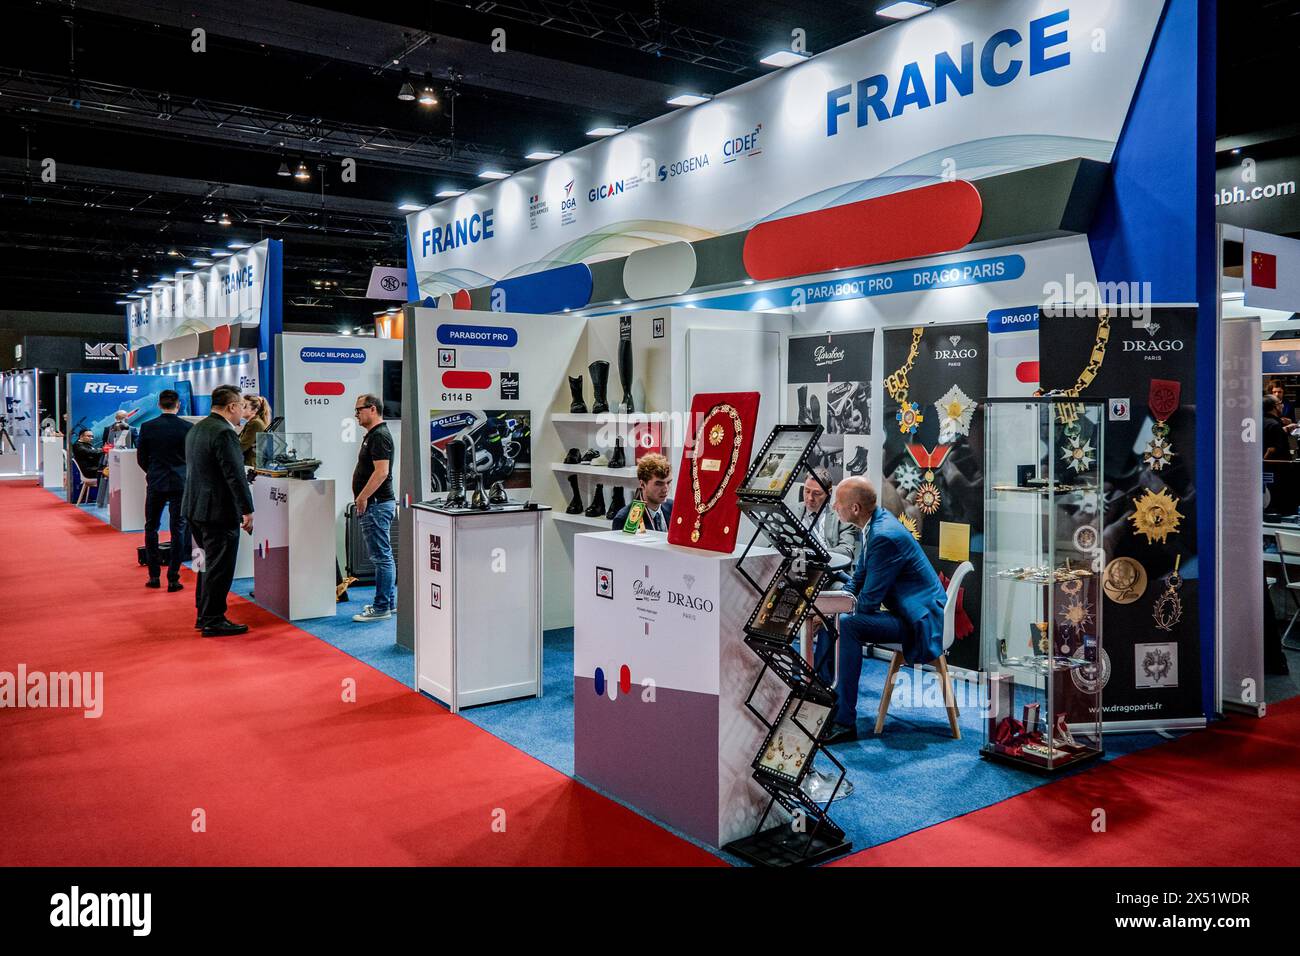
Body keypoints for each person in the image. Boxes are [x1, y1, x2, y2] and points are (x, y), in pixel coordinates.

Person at [816, 477, 947, 744]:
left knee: (847, 624)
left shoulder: (883, 535)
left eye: (838, 503)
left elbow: (868, 602)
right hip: (906, 612)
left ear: (854, 509)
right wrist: (835, 604)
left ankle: (844, 721)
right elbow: (859, 578)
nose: (834, 507)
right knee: (836, 616)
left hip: (919, 621)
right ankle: (823, 699)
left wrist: (838, 610)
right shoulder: (876, 523)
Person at [183, 385, 255, 637]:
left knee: (204, 563)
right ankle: (213, 618)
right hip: (217, 511)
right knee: (219, 566)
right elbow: (235, 475)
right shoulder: (224, 432)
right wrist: (247, 509)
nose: (242, 411)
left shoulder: (197, 428)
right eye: (241, 406)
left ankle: (204, 613)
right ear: (232, 406)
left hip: (195, 507)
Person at [136, 389, 193, 592]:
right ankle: (173, 578)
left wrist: (152, 472)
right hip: (180, 483)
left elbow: (141, 457)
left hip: (156, 482)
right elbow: (191, 457)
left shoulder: (148, 427)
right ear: (178, 405)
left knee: (151, 527)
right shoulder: (187, 427)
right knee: (178, 529)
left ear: (159, 405)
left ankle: (153, 576)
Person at [351, 393, 397, 623]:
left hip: (377, 505)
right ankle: (388, 603)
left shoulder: (380, 436)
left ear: (372, 409)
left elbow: (382, 472)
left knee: (381, 557)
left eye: (359, 409)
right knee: (382, 556)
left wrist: (362, 497)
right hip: (377, 504)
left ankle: (381, 608)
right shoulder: (373, 435)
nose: (356, 414)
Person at [797, 469, 861, 574]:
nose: (810, 498)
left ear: (829, 492)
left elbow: (846, 551)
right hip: (797, 571)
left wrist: (813, 554)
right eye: (807, 491)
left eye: (816, 493)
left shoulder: (843, 517)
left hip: (830, 572)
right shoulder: (790, 511)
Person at [610, 453, 674, 531]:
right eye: (658, 484)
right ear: (642, 484)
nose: (665, 489)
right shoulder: (625, 519)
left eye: (668, 482)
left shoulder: (674, 508)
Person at [239, 394, 272, 468]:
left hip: (250, 465)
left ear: (254, 410)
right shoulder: (254, 422)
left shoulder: (255, 423)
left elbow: (242, 446)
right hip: (252, 464)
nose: (241, 409)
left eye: (244, 406)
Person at [1264, 395, 1291, 461]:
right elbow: (1271, 450)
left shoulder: (1261, 421)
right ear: (1275, 406)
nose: (1282, 406)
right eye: (1280, 403)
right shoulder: (1275, 425)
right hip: (1277, 465)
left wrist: (1284, 429)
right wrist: (1263, 463)